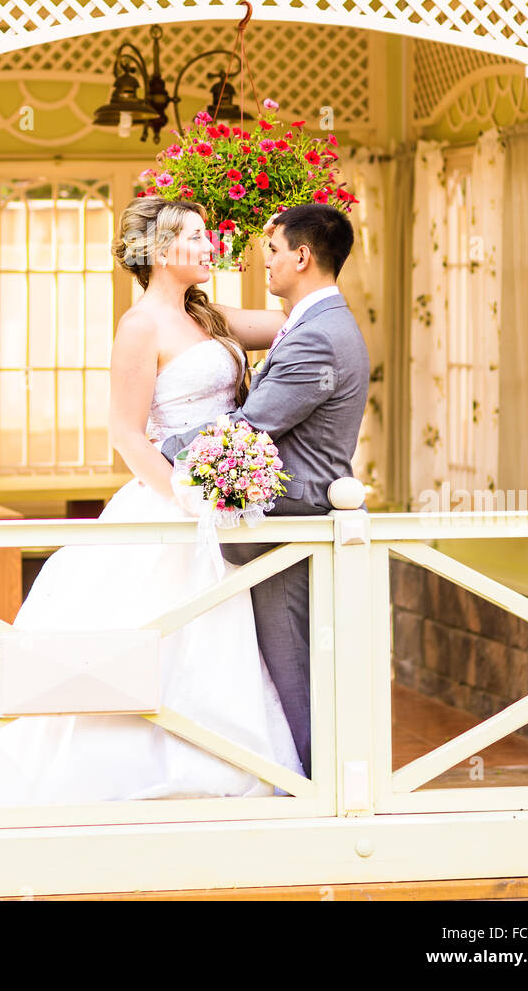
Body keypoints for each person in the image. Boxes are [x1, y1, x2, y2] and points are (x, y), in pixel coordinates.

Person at [0, 196, 302, 807]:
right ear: (161, 251)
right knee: (144, 637)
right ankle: (119, 777)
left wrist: (303, 268)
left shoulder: (210, 318)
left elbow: (293, 325)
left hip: (224, 502)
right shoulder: (140, 326)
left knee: (218, 640)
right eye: (197, 236)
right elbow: (127, 434)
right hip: (171, 501)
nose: (211, 246)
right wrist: (184, 496)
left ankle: (228, 762)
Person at [162, 203, 370, 779]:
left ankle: (320, 791)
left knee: (292, 668)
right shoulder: (313, 323)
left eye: (273, 252)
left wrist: (165, 443)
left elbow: (252, 428)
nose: (266, 264)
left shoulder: (319, 338)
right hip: (276, 515)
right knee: (282, 667)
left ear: (302, 256)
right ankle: (308, 784)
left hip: (288, 518)